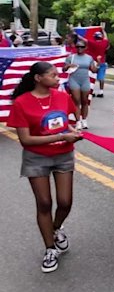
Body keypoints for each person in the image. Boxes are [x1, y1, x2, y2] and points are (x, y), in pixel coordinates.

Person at [6, 62, 83, 273]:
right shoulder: (21, 103)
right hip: (36, 158)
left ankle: (56, 228)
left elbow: (64, 122)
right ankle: (50, 248)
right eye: (53, 75)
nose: (58, 78)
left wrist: (72, 131)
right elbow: (26, 140)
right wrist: (61, 136)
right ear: (38, 78)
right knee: (44, 203)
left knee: (65, 202)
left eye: (58, 75)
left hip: (63, 155)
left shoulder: (61, 96)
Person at [64, 40, 96, 129]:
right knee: (76, 100)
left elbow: (93, 70)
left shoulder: (89, 58)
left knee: (85, 101)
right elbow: (64, 69)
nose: (79, 49)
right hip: (74, 79)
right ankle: (78, 121)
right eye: (77, 47)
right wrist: (68, 65)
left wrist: (98, 64)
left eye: (82, 47)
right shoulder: (71, 57)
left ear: (85, 48)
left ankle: (84, 120)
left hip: (85, 80)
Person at [86, 30, 110, 97]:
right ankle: (101, 92)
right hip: (102, 62)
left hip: (93, 62)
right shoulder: (104, 42)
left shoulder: (92, 43)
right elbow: (105, 37)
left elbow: (83, 39)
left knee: (92, 77)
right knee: (101, 78)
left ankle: (92, 91)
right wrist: (103, 30)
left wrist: (74, 32)